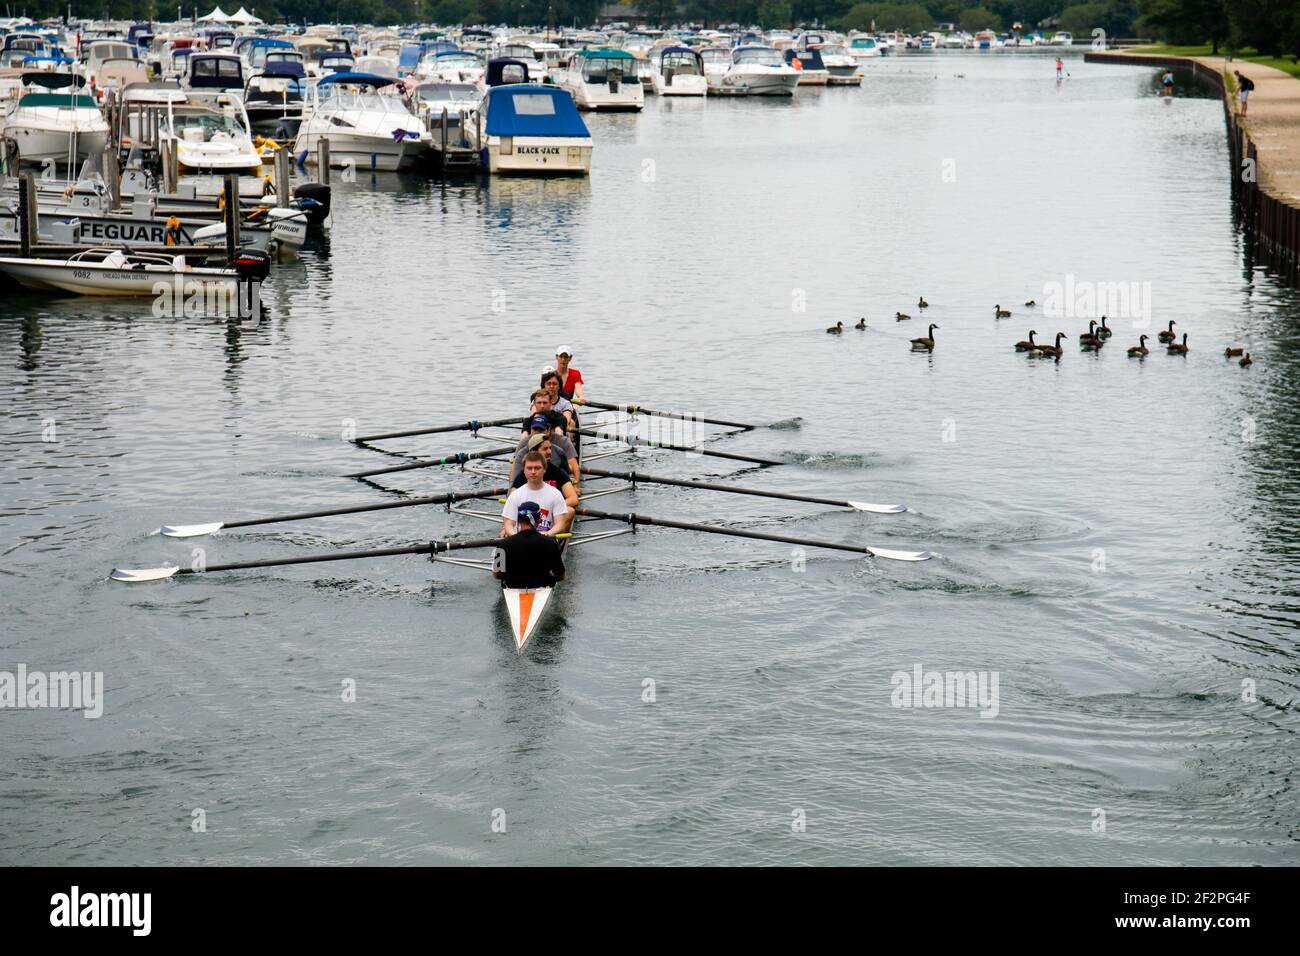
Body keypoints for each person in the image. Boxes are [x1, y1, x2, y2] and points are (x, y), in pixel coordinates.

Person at [492, 501, 565, 590]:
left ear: (518, 520)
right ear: (539, 520)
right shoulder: (551, 543)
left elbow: (497, 575)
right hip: (542, 587)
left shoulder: (503, 544)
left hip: (512, 587)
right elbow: (561, 576)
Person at [502, 451, 572, 536]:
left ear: (545, 469)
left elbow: (560, 524)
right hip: (521, 540)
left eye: (537, 468)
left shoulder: (555, 494)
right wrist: (516, 536)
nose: (533, 472)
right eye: (529, 468)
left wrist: (547, 534)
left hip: (546, 541)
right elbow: (508, 523)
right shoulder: (515, 495)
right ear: (524, 470)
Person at [511, 433, 579, 508]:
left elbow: (573, 499)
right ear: (534, 452)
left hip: (553, 514)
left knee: (570, 511)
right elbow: (512, 500)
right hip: (531, 513)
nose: (549, 452)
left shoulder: (557, 472)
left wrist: (548, 508)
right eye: (545, 449)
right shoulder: (524, 474)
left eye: (550, 448)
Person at [513, 416, 579, 490]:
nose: (537, 433)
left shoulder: (559, 453)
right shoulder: (522, 453)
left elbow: (569, 475)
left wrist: (575, 486)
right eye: (534, 429)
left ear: (548, 431)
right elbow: (513, 481)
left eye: (541, 430)